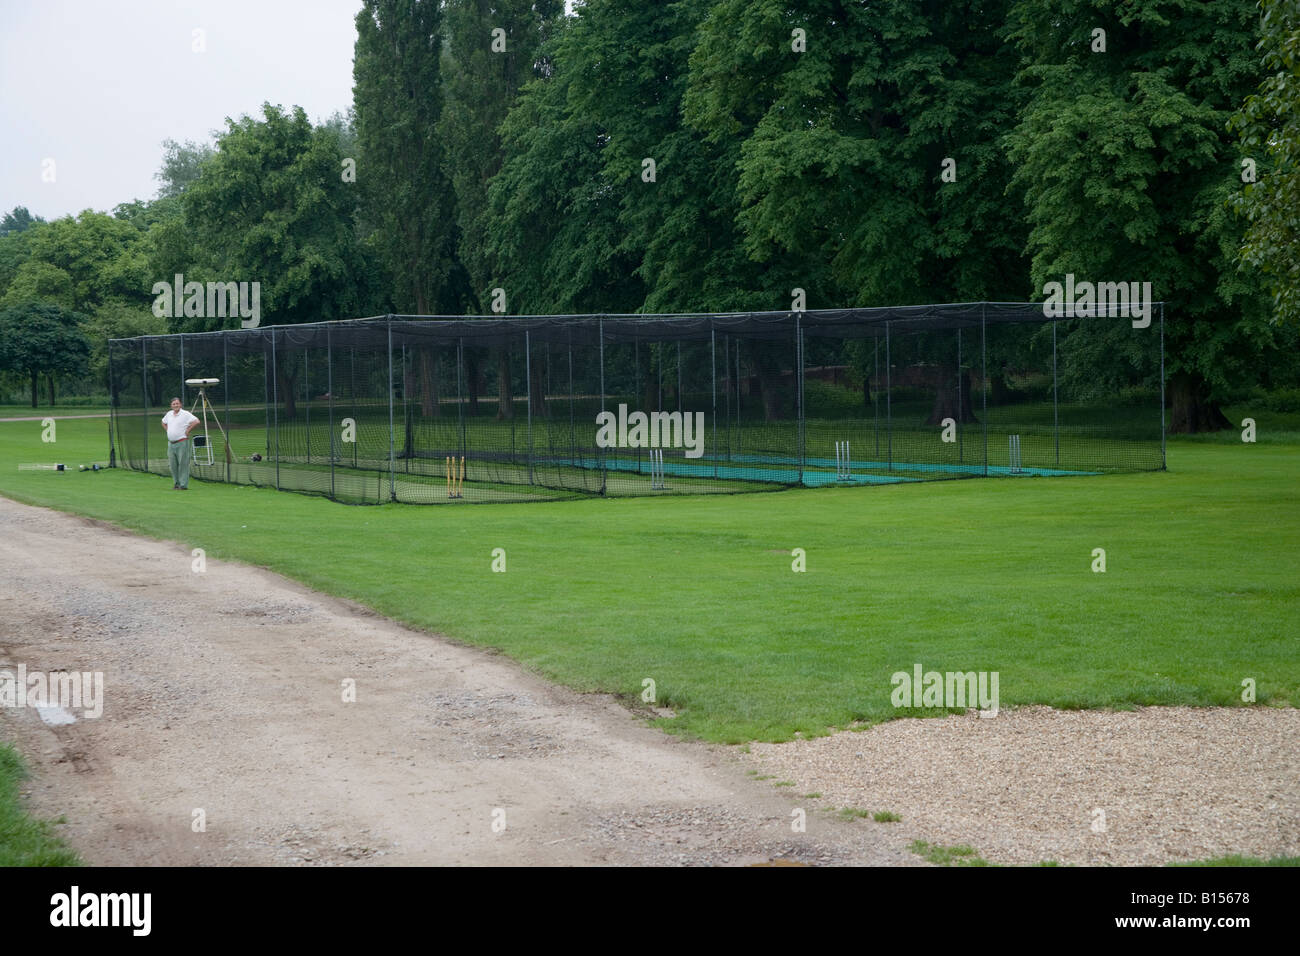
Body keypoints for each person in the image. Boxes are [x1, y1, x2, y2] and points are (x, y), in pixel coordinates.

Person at [161, 397, 200, 490]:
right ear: (171, 405)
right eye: (174, 404)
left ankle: (183, 485)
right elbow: (163, 422)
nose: (175, 405)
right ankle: (176, 484)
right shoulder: (169, 414)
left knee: (183, 464)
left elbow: (197, 421)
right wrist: (168, 430)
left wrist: (188, 430)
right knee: (173, 465)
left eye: (177, 403)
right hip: (171, 444)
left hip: (182, 442)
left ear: (180, 404)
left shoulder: (185, 414)